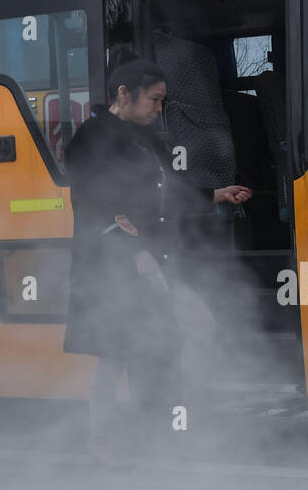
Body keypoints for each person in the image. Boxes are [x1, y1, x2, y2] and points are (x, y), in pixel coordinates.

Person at [64, 58, 251, 466]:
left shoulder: (146, 139)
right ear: (124, 94)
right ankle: (102, 442)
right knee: (115, 354)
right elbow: (96, 207)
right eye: (154, 99)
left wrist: (216, 195)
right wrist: (135, 253)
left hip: (153, 261)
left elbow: (170, 190)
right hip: (113, 267)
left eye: (163, 101)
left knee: (190, 331)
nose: (158, 109)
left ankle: (170, 427)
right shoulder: (91, 139)